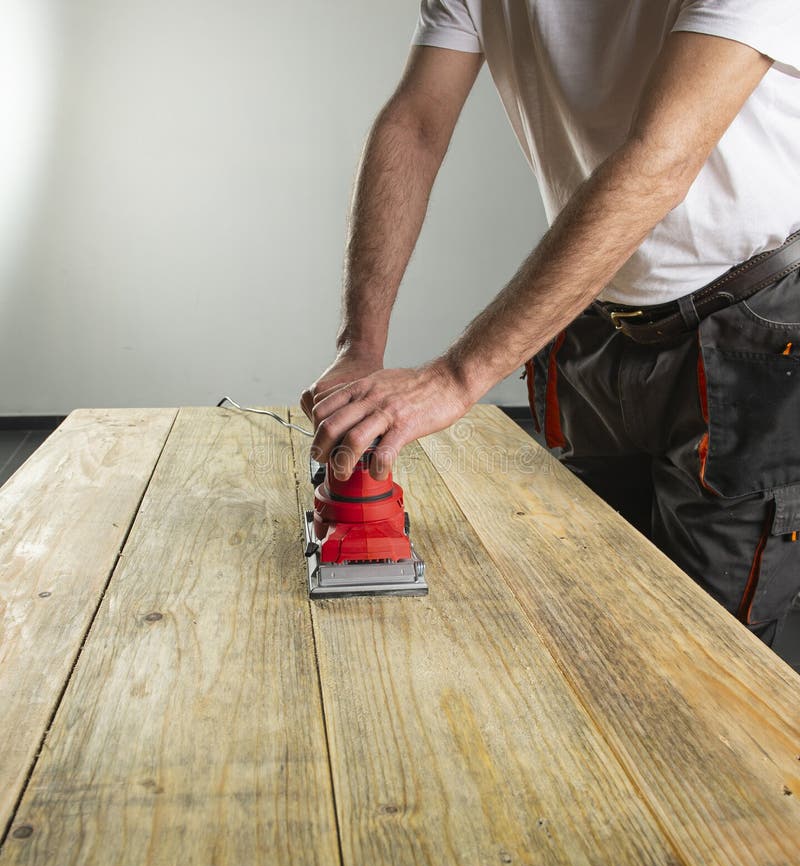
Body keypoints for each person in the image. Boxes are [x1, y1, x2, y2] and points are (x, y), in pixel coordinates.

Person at [300, 1, 800, 660]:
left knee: (712, 663)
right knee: (587, 624)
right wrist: (360, 344)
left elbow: (660, 159)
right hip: (590, 320)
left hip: (753, 325)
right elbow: (414, 125)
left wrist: (457, 377)